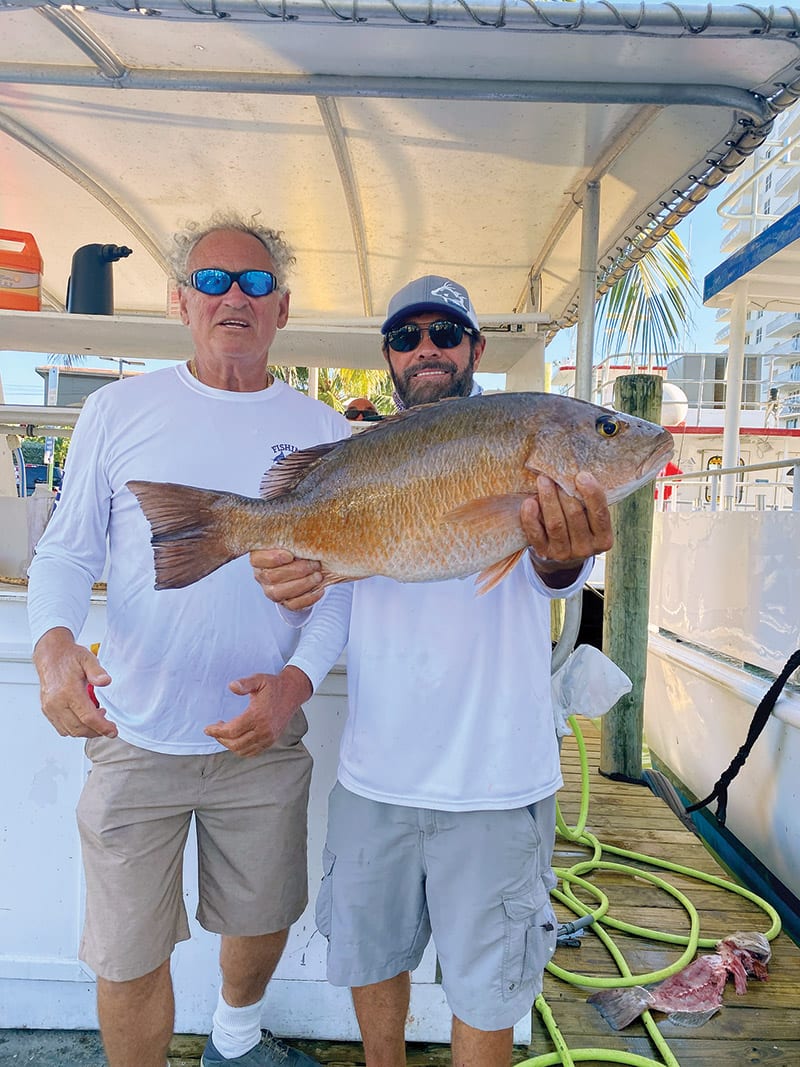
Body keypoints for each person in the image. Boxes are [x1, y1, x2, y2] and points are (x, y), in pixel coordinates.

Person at [250, 275, 614, 1067]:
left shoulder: (526, 447)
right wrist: (290, 601)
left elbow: (555, 573)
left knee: (488, 990)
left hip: (496, 785)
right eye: (408, 335)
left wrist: (562, 552)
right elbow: (330, 601)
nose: (426, 350)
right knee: (374, 961)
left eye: (446, 333)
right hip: (375, 777)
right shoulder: (360, 453)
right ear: (388, 353)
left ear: (475, 349)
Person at [27, 213, 349, 1067]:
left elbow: (335, 588)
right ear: (179, 300)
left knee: (263, 912)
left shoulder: (325, 427)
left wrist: (295, 686)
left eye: (253, 283)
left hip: (265, 735)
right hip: (132, 729)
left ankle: (235, 1037)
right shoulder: (117, 408)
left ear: (282, 307)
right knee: (127, 948)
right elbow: (65, 550)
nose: (232, 297)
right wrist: (54, 642)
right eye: (211, 281)